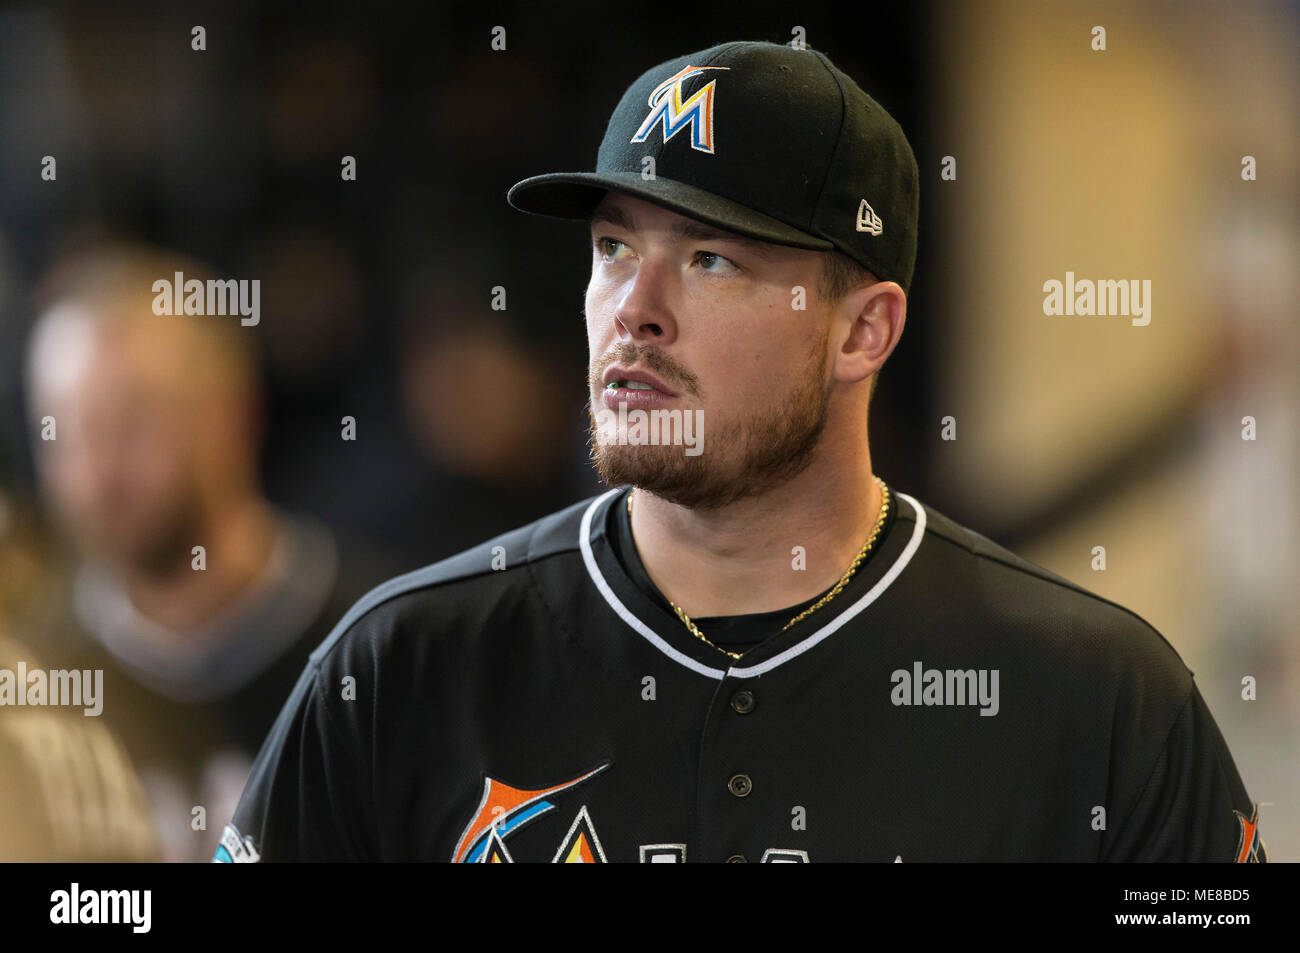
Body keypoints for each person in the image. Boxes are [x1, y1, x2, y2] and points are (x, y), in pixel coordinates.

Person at [219, 40, 1266, 862]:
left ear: (864, 331)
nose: (635, 310)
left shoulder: (1098, 697)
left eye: (711, 259)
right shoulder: (402, 665)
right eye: (613, 248)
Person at [24, 244, 396, 861]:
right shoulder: (32, 679)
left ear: (235, 415)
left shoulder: (381, 641)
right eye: (63, 432)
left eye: (130, 423)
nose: (97, 474)